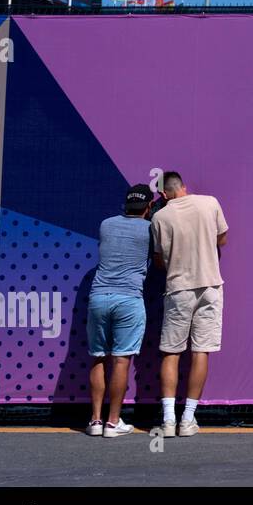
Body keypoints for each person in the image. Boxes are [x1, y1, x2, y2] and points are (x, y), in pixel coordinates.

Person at [151, 171, 228, 438]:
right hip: (210, 285)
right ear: (184, 186)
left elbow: (159, 260)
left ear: (162, 194)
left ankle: (169, 420)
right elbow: (223, 238)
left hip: (178, 288)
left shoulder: (159, 217)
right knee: (200, 352)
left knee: (171, 353)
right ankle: (188, 419)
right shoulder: (210, 203)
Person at [86, 185, 155, 438]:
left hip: (98, 297)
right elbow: (157, 259)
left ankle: (95, 420)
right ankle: (113, 423)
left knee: (98, 357)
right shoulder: (150, 229)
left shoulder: (106, 224)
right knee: (121, 360)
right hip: (128, 298)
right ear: (148, 207)